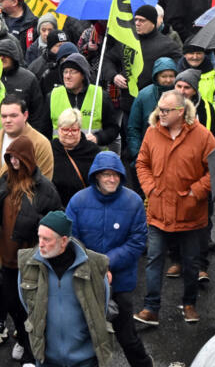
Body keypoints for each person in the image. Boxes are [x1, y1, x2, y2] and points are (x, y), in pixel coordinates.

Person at [135, 89, 215, 325]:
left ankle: (189, 304)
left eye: (166, 110)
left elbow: (214, 169)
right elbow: (142, 163)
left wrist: (196, 192)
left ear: (181, 112)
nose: (160, 113)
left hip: (190, 213)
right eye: (159, 109)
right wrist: (150, 188)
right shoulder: (152, 133)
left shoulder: (202, 136)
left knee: (191, 263)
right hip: (158, 211)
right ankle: (151, 308)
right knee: (154, 259)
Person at [65, 150, 153, 367]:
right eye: (106, 174)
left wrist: (106, 263)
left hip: (120, 280)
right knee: (87, 335)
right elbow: (70, 239)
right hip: (86, 278)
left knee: (127, 335)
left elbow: (137, 241)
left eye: (115, 174)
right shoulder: (78, 201)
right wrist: (94, 266)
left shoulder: (133, 202)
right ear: (96, 176)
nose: (111, 179)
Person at [0, 133, 63, 355]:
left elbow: (57, 220)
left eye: (18, 158)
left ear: (28, 158)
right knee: (11, 302)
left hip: (30, 257)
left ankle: (31, 346)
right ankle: (22, 335)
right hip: (5, 256)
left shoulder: (44, 188)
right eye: (10, 158)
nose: (14, 162)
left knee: (30, 305)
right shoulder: (5, 181)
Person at [17, 210, 117, 367]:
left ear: (63, 241)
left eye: (46, 239)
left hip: (86, 361)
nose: (40, 244)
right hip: (47, 360)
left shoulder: (94, 265)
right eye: (39, 237)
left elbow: (101, 306)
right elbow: (26, 303)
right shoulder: (28, 264)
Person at [49, 108, 100, 204]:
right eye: (65, 129)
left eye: (74, 130)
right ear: (58, 129)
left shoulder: (92, 151)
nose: (69, 133)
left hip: (85, 204)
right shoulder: (49, 149)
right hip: (56, 206)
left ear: (80, 130)